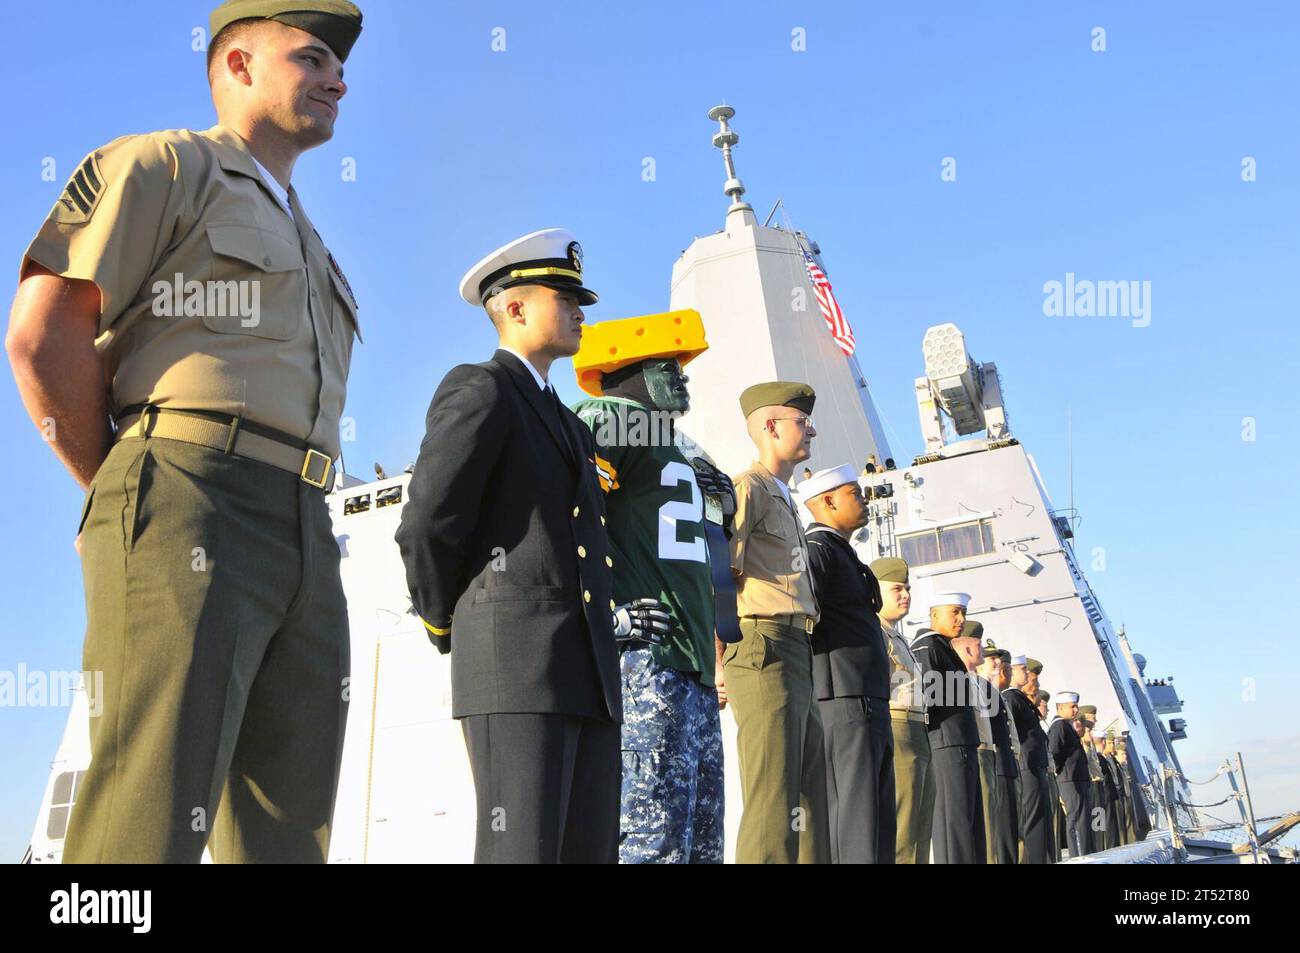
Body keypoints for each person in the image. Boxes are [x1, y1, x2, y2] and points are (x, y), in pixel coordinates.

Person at [6, 0, 364, 863]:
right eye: (310, 58)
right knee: (147, 815)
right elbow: (40, 333)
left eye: (337, 66)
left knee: (286, 838)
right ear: (238, 66)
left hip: (309, 522)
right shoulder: (165, 165)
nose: (337, 79)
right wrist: (131, 485)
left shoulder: (314, 243)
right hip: (187, 493)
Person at [397, 228, 656, 863]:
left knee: (586, 853)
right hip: (515, 664)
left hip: (587, 671)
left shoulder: (567, 423)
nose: (580, 311)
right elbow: (430, 518)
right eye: (564, 296)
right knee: (524, 851)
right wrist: (443, 620)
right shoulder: (482, 389)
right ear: (513, 308)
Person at [570, 309, 731, 863]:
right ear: (634, 370)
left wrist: (717, 501)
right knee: (650, 836)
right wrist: (605, 615)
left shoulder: (671, 442)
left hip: (688, 664)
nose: (683, 377)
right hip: (646, 661)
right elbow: (561, 509)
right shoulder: (611, 416)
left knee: (699, 839)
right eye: (671, 366)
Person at [725, 381, 829, 863]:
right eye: (801, 422)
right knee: (772, 799)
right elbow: (719, 574)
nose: (811, 429)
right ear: (770, 426)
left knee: (808, 797)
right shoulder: (747, 489)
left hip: (796, 647)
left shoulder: (784, 496)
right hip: (760, 643)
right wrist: (718, 661)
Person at [799, 465, 894, 863]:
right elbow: (803, 617)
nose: (865, 500)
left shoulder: (843, 553)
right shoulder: (817, 550)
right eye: (856, 493)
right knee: (853, 815)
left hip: (869, 697)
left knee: (878, 815)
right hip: (842, 696)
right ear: (828, 501)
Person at [910, 593, 985, 863]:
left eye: (963, 612)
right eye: (954, 612)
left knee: (969, 822)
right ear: (934, 615)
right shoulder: (928, 648)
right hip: (946, 743)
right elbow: (928, 701)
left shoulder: (942, 647)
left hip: (960, 742)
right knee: (954, 824)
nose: (961, 619)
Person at [870, 557, 934, 864]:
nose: (905, 594)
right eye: (897, 588)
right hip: (897, 727)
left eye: (907, 588)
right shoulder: (873, 631)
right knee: (904, 823)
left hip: (918, 729)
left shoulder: (898, 637)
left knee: (922, 821)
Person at [1005, 655, 1053, 863]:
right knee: (1031, 821)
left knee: (1040, 820)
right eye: (1022, 669)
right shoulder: (1010, 698)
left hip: (1036, 766)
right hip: (1026, 766)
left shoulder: (1019, 698)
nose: (1027, 674)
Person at [1047, 692, 1091, 858]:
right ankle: (1078, 855)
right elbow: (1053, 753)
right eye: (1072, 706)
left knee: (1082, 819)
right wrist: (1060, 774)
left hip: (1076, 780)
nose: (1076, 709)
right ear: (1061, 707)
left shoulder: (1066, 726)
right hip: (1068, 780)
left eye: (1076, 706)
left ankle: (1085, 854)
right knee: (1075, 820)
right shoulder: (1059, 727)